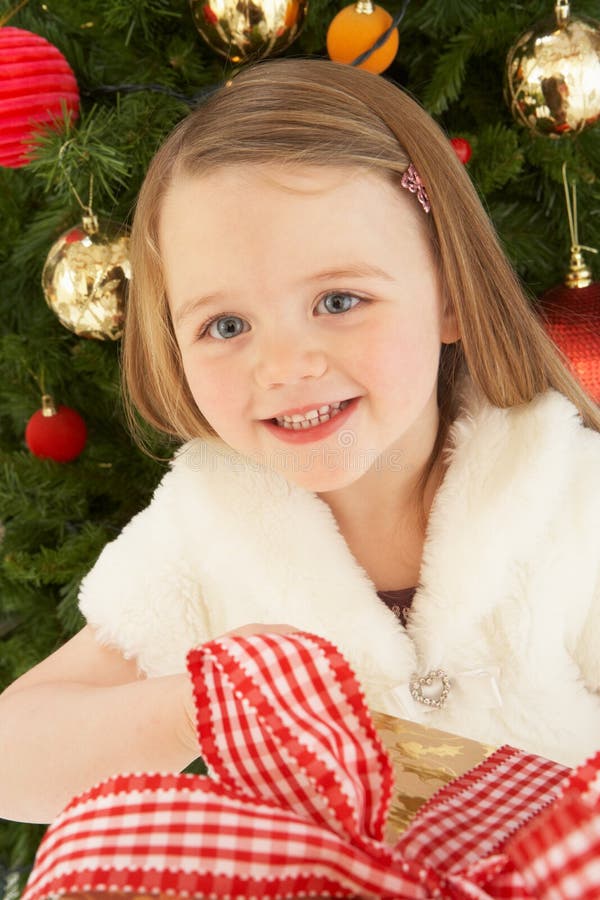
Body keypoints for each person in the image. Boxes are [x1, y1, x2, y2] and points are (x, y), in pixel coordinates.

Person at [1, 57, 599, 826]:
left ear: (449, 298)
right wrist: (201, 702)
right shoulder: (208, 528)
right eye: (226, 326)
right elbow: (15, 754)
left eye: (339, 300)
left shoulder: (566, 497)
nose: (285, 367)